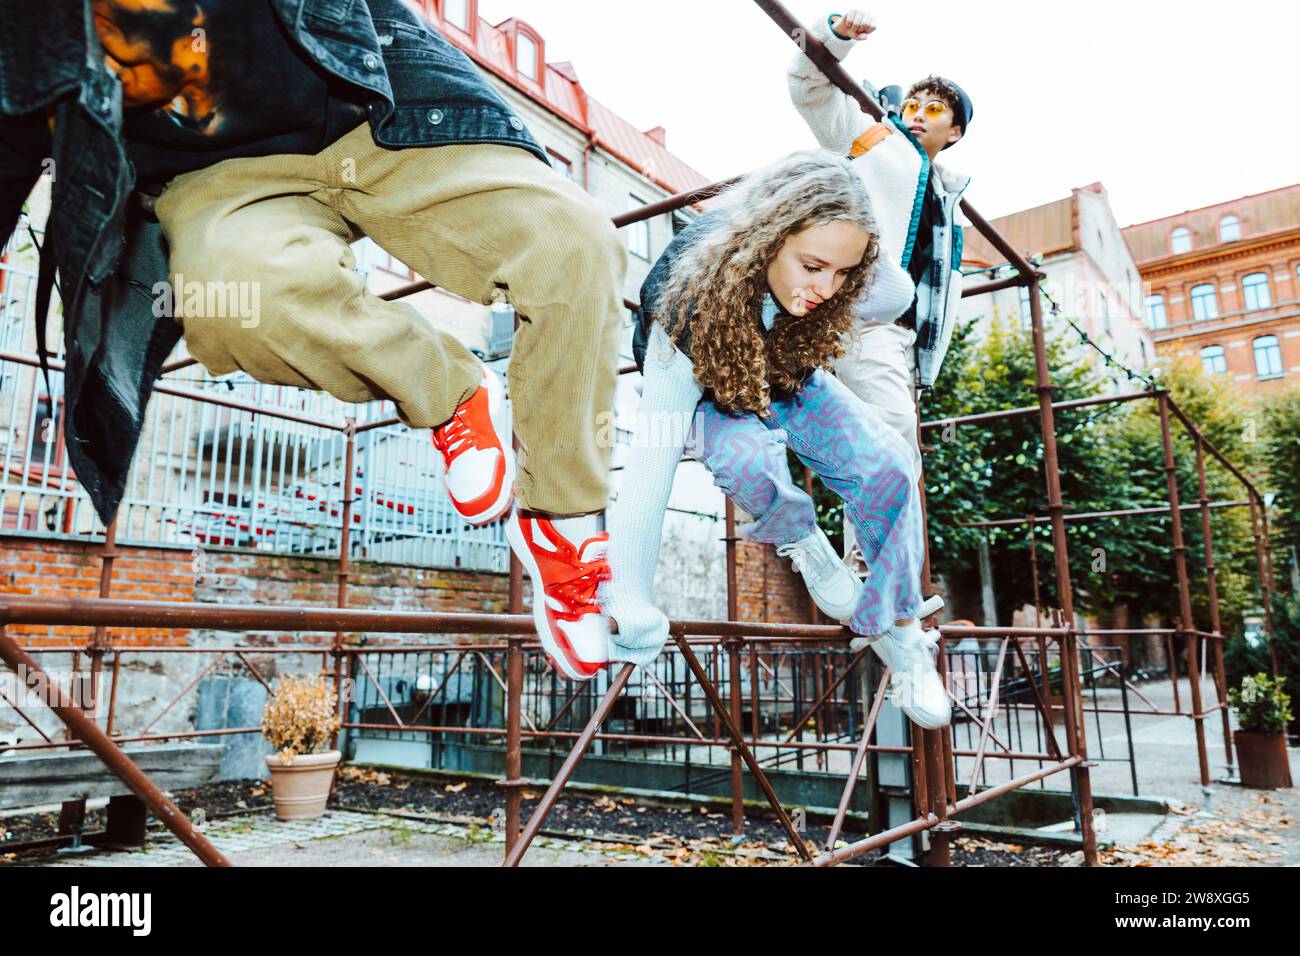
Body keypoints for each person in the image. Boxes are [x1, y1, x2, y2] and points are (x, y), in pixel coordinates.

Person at [0, 1, 626, 681]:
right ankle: (450, 390)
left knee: (574, 240)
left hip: (381, 109)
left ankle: (564, 520)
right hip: (223, 179)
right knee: (242, 300)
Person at [602, 150, 951, 729]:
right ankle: (807, 546)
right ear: (768, 239)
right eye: (813, 266)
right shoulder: (683, 318)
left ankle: (904, 633)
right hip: (708, 386)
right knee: (747, 457)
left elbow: (896, 298)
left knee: (890, 463)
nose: (825, 289)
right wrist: (630, 598)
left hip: (782, 369)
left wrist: (854, 240)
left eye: (842, 274)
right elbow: (648, 470)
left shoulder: (832, 280)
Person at [788, 8, 974, 579]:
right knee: (888, 435)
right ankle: (870, 567)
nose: (917, 116)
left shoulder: (950, 196)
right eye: (913, 106)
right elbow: (809, 90)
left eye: (933, 110)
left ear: (956, 131)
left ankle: (868, 566)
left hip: (891, 334)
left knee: (886, 437)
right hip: (852, 316)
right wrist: (836, 38)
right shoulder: (876, 135)